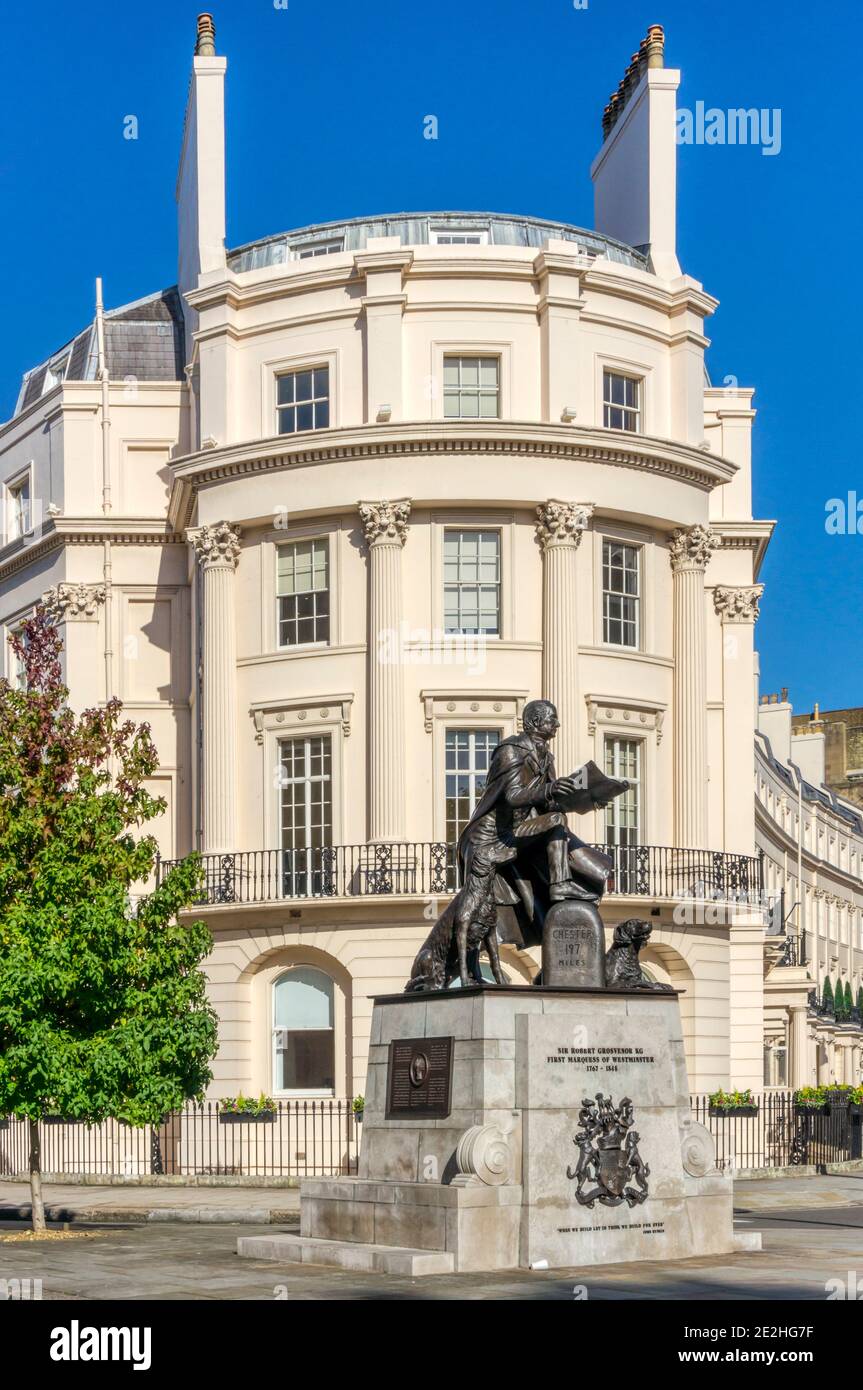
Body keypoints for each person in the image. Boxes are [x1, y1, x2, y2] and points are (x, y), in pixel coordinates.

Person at [456, 698, 628, 949]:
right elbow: (512, 797)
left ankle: (564, 884)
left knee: (558, 819)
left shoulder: (545, 755)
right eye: (552, 719)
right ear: (536, 721)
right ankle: (559, 885)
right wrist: (550, 789)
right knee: (557, 821)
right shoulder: (511, 750)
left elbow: (549, 804)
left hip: (520, 828)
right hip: (496, 834)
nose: (557, 724)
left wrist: (591, 799)